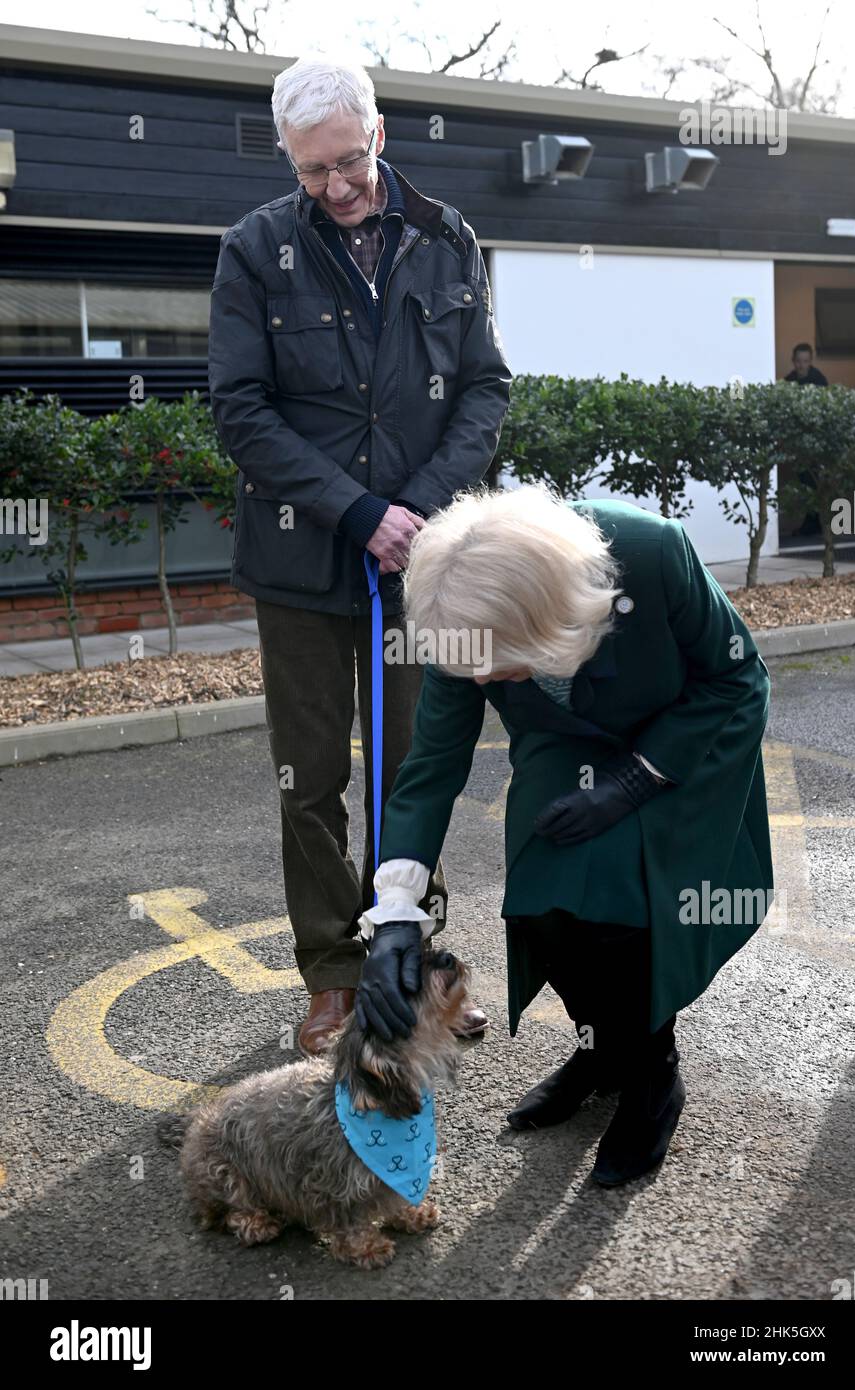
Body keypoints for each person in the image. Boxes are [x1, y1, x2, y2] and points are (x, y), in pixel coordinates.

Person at [208, 55, 512, 1053]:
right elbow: (240, 411)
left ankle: (409, 958)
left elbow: (483, 392)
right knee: (309, 780)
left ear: (377, 133)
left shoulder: (445, 237)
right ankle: (333, 976)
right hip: (301, 567)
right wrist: (355, 511)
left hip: (416, 563)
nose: (333, 187)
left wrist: (414, 512)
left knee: (411, 771)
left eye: (345, 161)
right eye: (310, 173)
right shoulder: (255, 250)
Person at [355, 484, 774, 1186]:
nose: (481, 677)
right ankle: (602, 1049)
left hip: (681, 744)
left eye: (495, 660)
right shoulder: (458, 603)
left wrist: (636, 780)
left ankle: (651, 1079)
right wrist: (396, 915)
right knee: (543, 903)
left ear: (552, 614)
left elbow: (737, 679)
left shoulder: (649, 550)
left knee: (623, 917)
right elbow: (430, 767)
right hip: (565, 744)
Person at [783, 343, 828, 535]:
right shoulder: (789, 381)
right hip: (797, 442)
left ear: (811, 361)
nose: (802, 365)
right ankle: (812, 523)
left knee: (814, 482)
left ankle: (815, 524)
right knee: (804, 482)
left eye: (805, 361)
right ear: (793, 361)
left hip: (815, 441)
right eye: (799, 361)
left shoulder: (818, 380)